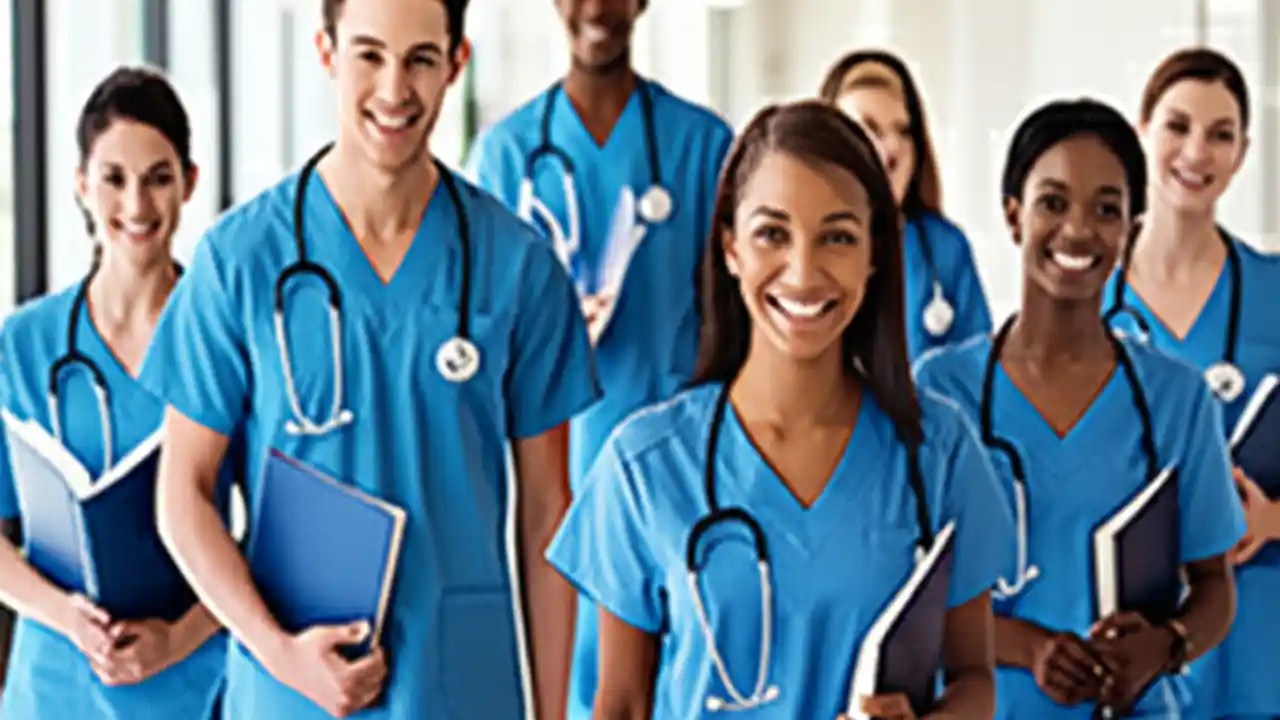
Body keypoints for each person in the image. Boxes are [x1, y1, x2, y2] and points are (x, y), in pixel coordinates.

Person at [137, 0, 598, 718]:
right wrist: (278, 650)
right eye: (369, 55)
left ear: (456, 64)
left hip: (461, 687)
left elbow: (547, 514)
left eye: (420, 59)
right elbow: (182, 497)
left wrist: (552, 714)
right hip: (292, 693)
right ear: (326, 54)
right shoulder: (241, 261)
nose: (394, 90)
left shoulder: (518, 267)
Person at [546, 101, 1010, 720]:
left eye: (838, 237)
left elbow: (975, 680)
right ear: (731, 248)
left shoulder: (938, 451)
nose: (803, 271)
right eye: (772, 233)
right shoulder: (646, 466)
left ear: (874, 254)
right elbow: (623, 706)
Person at [916, 98, 1245, 718]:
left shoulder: (1175, 398)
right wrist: (1028, 647)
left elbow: (1214, 586)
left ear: (1131, 230)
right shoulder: (941, 390)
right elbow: (907, 593)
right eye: (1053, 202)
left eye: (1106, 210)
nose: (1077, 230)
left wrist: (1167, 646)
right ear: (1014, 216)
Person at [466, 2, 733, 717]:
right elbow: (475, 343)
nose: (596, 7)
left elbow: (737, 327)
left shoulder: (703, 146)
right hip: (557, 490)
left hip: (683, 489)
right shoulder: (505, 154)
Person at [0, 67, 231, 719]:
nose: (137, 206)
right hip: (54, 688)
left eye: (159, 178)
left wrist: (176, 639)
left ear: (189, 182)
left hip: (190, 683)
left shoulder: (222, 342)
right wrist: (66, 617)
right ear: (81, 184)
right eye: (114, 179)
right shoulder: (22, 345)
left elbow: (268, 540)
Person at [1104, 48, 1280, 720]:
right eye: (1178, 126)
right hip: (1132, 632)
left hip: (1258, 634)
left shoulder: (1272, 293)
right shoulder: (1087, 300)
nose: (1196, 152)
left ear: (1242, 153)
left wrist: (1269, 519)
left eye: (1221, 134)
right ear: (1143, 129)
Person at [819, 50, 992, 362]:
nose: (891, 149)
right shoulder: (802, 248)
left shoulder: (944, 248)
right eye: (869, 129)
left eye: (903, 131)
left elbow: (977, 374)